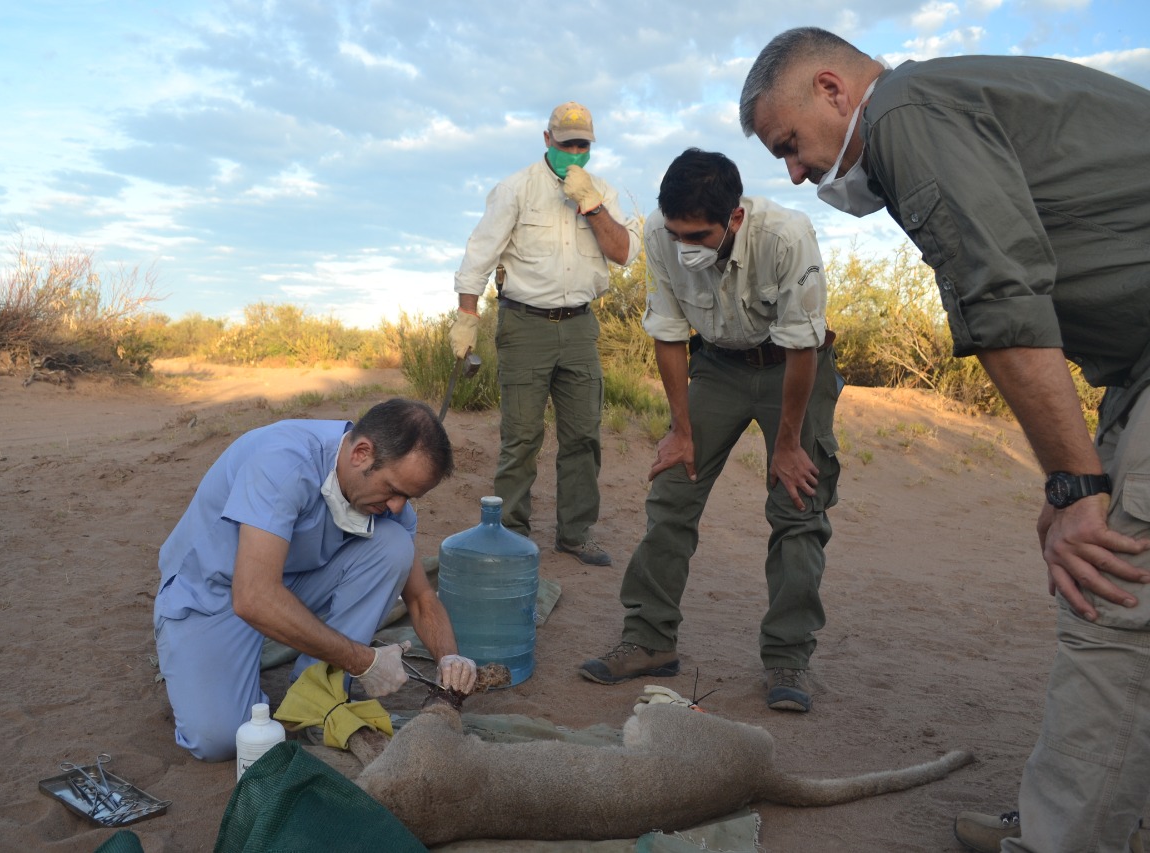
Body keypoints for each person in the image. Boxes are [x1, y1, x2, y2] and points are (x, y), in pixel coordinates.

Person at [741, 26, 1150, 851]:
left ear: (831, 88)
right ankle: (1093, 815)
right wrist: (1075, 473)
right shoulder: (940, 103)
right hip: (1134, 370)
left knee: (1110, 590)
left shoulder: (905, 114)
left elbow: (1002, 294)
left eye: (789, 145)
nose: (793, 171)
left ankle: (1065, 836)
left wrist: (1077, 486)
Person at [579, 148, 841, 714]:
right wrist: (680, 428)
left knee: (798, 507)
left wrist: (790, 444)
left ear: (736, 219)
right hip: (718, 366)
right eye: (676, 233)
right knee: (672, 492)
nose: (684, 247)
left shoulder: (787, 236)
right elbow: (669, 332)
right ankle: (649, 639)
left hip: (793, 371)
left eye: (698, 235)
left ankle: (788, 657)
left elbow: (802, 346)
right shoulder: (659, 233)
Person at [153, 398, 477, 762]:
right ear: (361, 454)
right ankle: (196, 655)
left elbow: (419, 599)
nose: (399, 506)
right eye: (394, 490)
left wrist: (450, 657)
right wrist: (364, 661)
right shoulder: (283, 464)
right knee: (221, 740)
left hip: (290, 584)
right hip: (214, 595)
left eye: (409, 496)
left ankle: (315, 688)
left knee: (394, 546)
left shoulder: (384, 499)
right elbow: (253, 597)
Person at [450, 101, 641, 567]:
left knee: (583, 436)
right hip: (524, 325)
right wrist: (466, 316)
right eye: (566, 143)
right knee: (521, 436)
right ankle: (511, 534)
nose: (574, 153)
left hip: (580, 326)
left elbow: (625, 253)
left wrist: (591, 205)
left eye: (583, 145)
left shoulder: (606, 193)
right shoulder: (516, 189)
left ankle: (575, 533)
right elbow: (480, 252)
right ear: (547, 140)